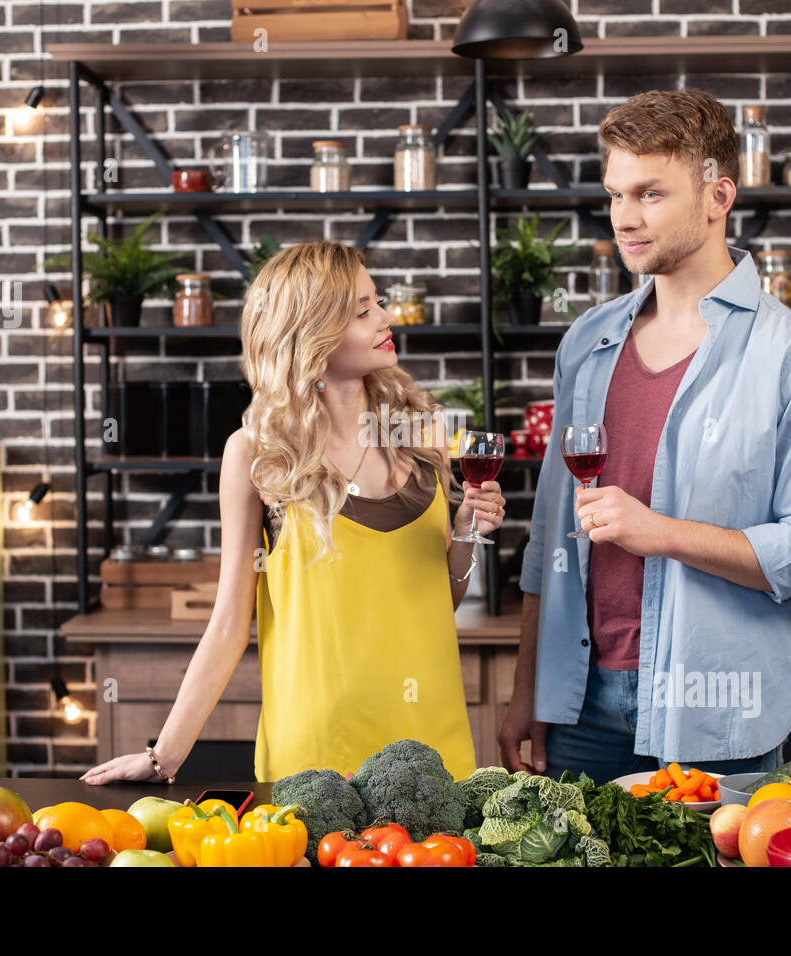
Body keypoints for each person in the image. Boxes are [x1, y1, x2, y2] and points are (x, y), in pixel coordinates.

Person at [500, 88, 791, 785]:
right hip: (579, 711)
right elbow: (549, 542)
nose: (625, 220)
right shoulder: (587, 343)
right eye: (616, 195)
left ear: (717, 195)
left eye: (651, 194)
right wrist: (528, 691)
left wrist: (662, 533)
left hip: (719, 716)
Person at [82, 240, 504, 786]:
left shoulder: (421, 436)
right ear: (310, 335)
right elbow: (231, 622)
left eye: (377, 302)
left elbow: (436, 599)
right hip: (318, 756)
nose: (386, 317)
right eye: (362, 310)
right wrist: (164, 754)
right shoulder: (257, 454)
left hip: (433, 746)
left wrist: (467, 534)